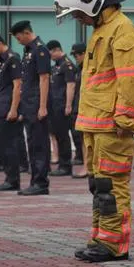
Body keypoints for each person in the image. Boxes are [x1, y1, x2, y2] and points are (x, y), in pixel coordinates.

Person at [54, 0, 134, 262]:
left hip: (112, 125)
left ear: (91, 3)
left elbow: (131, 79)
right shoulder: (101, 30)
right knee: (98, 183)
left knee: (112, 184)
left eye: (78, 13)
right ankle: (100, 238)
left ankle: (113, 244)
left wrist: (125, 119)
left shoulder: (122, 29)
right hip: (94, 123)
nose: (77, 19)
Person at [10, 21, 52, 195]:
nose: (18, 41)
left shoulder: (40, 50)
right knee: (32, 144)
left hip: (37, 105)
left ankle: (41, 184)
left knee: (40, 144)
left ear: (26, 33)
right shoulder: (28, 50)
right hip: (28, 106)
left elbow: (44, 79)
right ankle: (35, 180)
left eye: (18, 37)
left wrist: (42, 107)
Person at [0, 31, 23, 191]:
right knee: (2, 145)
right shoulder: (0, 62)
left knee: (10, 146)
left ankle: (13, 180)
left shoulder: (12, 59)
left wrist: (14, 109)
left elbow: (18, 85)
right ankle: (9, 177)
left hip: (8, 110)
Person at [46, 39, 78, 177]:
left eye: (51, 53)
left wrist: (68, 105)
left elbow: (71, 85)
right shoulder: (57, 66)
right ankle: (61, 163)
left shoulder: (67, 65)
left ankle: (65, 166)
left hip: (62, 106)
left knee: (63, 136)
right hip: (55, 105)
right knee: (58, 135)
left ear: (56, 50)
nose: (50, 57)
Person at [69, 43, 88, 178]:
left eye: (77, 55)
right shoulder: (80, 69)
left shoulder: (89, 68)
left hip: (87, 108)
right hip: (79, 107)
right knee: (82, 139)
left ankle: (88, 167)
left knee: (87, 139)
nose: (76, 58)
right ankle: (87, 166)